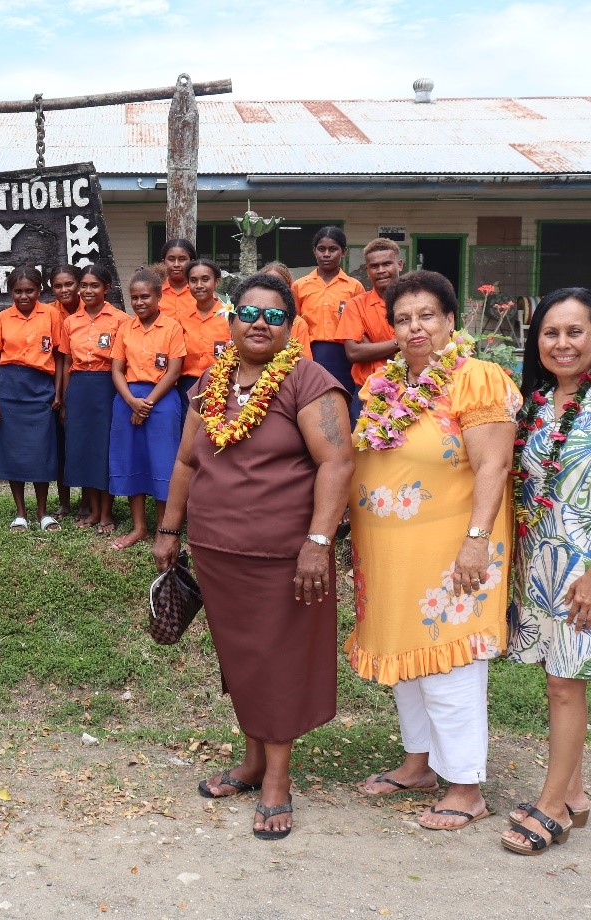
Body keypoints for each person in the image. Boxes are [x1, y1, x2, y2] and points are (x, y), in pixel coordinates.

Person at [153, 271, 353, 840]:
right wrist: (170, 529)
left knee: (279, 663)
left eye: (274, 316)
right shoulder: (212, 382)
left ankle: (277, 782)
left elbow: (337, 464)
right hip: (217, 552)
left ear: (290, 327)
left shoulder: (308, 381)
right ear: (231, 319)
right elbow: (188, 462)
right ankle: (252, 761)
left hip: (285, 556)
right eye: (249, 313)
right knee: (240, 661)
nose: (259, 324)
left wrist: (318, 543)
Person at [346, 270, 518, 831]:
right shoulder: (381, 386)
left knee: (450, 662)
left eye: (426, 316)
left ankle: (465, 786)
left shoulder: (478, 379)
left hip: (453, 550)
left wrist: (476, 542)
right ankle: (418, 764)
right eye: (402, 318)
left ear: (450, 319)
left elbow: (493, 463)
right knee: (408, 662)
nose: (414, 327)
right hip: (390, 553)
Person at [502, 288, 591, 854]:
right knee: (556, 679)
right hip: (541, 560)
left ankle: (553, 804)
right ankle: (576, 793)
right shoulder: (534, 401)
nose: (561, 344)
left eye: (574, 332)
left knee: (565, 684)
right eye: (550, 333)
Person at [0, 265, 66, 532]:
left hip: (41, 390)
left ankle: (42, 513)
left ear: (40, 290)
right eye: (18, 291)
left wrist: (59, 392)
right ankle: (20, 513)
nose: (24, 296)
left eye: (30, 290)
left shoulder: (51, 315)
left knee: (41, 451)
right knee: (12, 452)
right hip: (8, 390)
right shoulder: (1, 319)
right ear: (10, 292)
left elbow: (61, 357)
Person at [108, 267, 185, 551]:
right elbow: (117, 369)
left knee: (162, 463)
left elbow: (174, 371)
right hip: (128, 399)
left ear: (158, 296)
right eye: (134, 298)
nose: (139, 303)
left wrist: (146, 404)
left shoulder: (173, 327)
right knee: (132, 461)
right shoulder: (125, 328)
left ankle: (163, 529)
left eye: (145, 297)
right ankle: (139, 527)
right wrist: (132, 402)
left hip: (161, 401)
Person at [58, 264, 125, 535]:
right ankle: (92, 510)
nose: (87, 291)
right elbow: (65, 362)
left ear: (106, 288)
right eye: (83, 285)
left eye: (94, 285)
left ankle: (106, 513)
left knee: (104, 449)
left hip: (106, 385)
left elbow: (124, 363)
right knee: (84, 449)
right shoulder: (70, 321)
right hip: (79, 388)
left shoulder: (120, 320)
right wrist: (63, 399)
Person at [291, 226, 364, 398]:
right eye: (321, 249)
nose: (326, 254)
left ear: (343, 252)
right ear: (314, 251)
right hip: (310, 353)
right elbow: (293, 324)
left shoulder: (354, 287)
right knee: (311, 398)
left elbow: (360, 327)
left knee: (343, 398)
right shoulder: (300, 286)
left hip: (343, 357)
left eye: (333, 249)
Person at [337, 239, 403, 423]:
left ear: (400, 265)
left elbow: (423, 344)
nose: (381, 270)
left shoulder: (414, 300)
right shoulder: (356, 305)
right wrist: (399, 343)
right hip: (367, 389)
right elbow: (353, 352)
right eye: (374, 266)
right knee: (362, 447)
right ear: (367, 270)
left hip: (410, 388)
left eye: (387, 264)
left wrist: (372, 346)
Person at [49, 264, 83, 520]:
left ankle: (87, 501)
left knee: (82, 446)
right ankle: (64, 502)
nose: (64, 290)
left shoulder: (90, 309)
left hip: (82, 383)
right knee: (59, 445)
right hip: (50, 383)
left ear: (79, 284)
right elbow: (59, 357)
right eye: (58, 286)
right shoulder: (47, 313)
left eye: (69, 284)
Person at [177, 258, 232, 397]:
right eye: (194, 280)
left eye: (205, 279)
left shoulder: (231, 316)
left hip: (222, 384)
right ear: (188, 284)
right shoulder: (181, 319)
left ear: (217, 282)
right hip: (187, 386)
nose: (199, 285)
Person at [261, 262, 313, 361]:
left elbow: (305, 360)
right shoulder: (249, 317)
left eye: (278, 283)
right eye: (267, 283)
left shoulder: (298, 323)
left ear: (288, 288)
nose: (273, 288)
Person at [156, 238, 198, 322]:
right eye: (171, 259)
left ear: (191, 262)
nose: (176, 264)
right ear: (164, 262)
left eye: (182, 259)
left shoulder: (201, 291)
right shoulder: (154, 290)